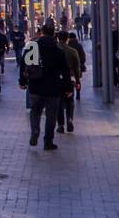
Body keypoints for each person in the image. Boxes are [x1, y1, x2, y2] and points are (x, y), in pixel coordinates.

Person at [20, 22, 74, 150]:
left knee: (35, 112)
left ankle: (35, 131)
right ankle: (48, 141)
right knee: (51, 115)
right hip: (53, 88)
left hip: (35, 86)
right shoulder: (58, 51)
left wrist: (22, 82)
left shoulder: (32, 47)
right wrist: (68, 88)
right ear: (53, 34)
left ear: (42, 32)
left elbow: (24, 65)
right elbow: (65, 71)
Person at [56, 31, 81, 133]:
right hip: (70, 79)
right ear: (67, 39)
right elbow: (77, 67)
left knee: (59, 102)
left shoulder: (55, 50)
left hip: (57, 79)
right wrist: (78, 80)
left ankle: (60, 125)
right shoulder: (73, 51)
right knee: (70, 101)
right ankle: (70, 119)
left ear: (58, 38)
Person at [66, 32, 87, 101]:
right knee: (77, 80)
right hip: (78, 67)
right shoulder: (79, 45)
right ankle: (78, 94)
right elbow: (83, 56)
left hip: (69, 67)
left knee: (70, 81)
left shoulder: (67, 46)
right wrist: (81, 63)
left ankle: (71, 94)